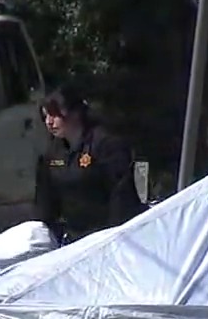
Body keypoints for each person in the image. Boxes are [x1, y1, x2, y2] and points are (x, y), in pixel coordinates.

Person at [33, 86, 144, 244]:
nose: (49, 122)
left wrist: (113, 238)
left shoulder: (106, 145)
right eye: (45, 116)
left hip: (107, 236)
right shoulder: (52, 153)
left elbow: (121, 197)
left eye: (55, 115)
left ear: (75, 113)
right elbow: (45, 202)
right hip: (72, 239)